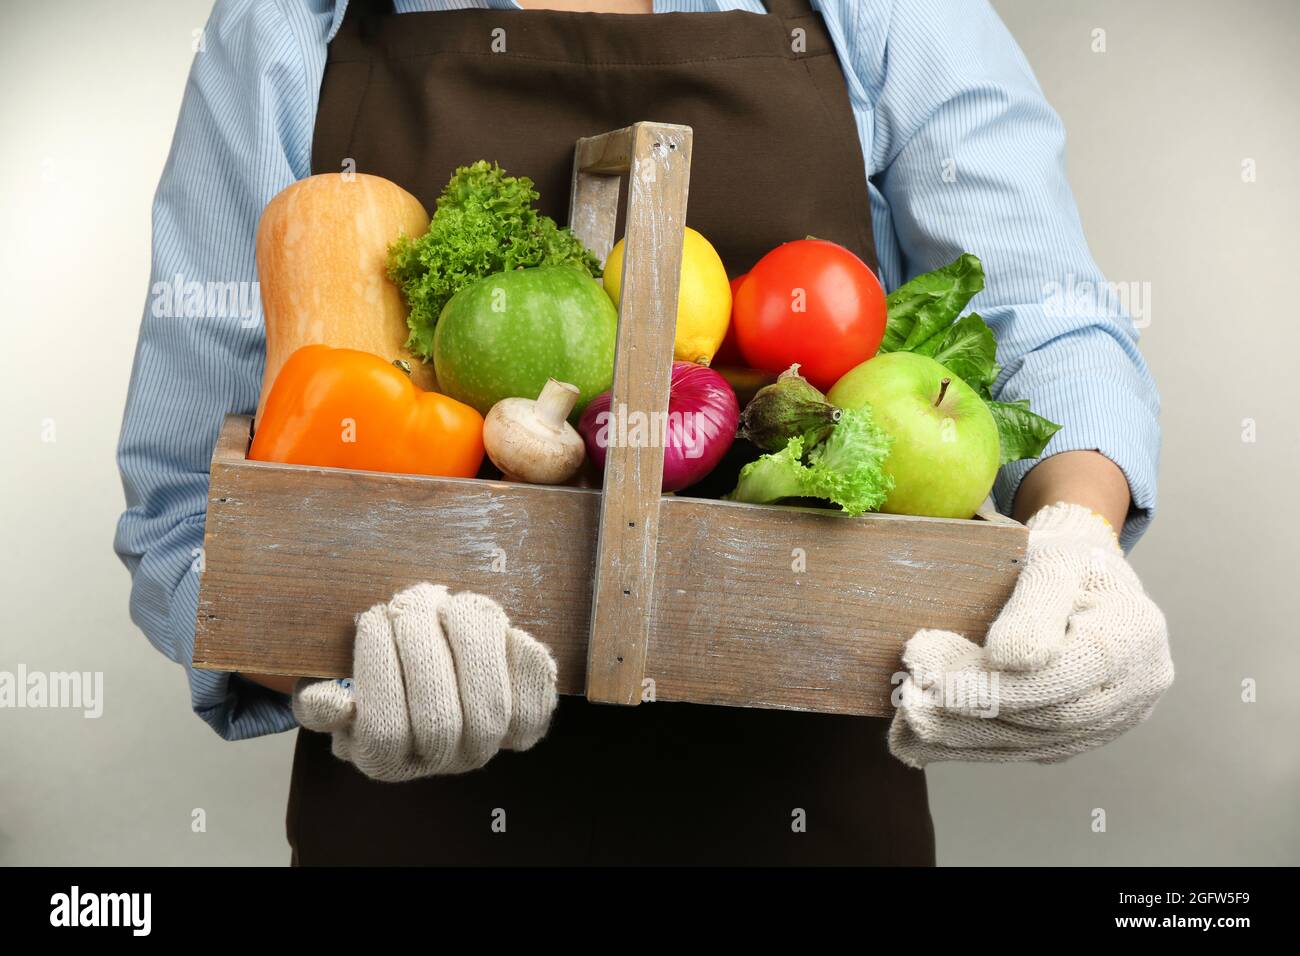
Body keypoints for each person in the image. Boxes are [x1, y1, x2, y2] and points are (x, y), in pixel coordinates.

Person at [115, 0, 1172, 866]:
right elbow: (183, 515)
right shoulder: (285, 29)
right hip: (414, 828)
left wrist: (1077, 536)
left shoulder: (884, 13)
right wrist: (328, 669)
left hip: (811, 823)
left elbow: (1043, 319)